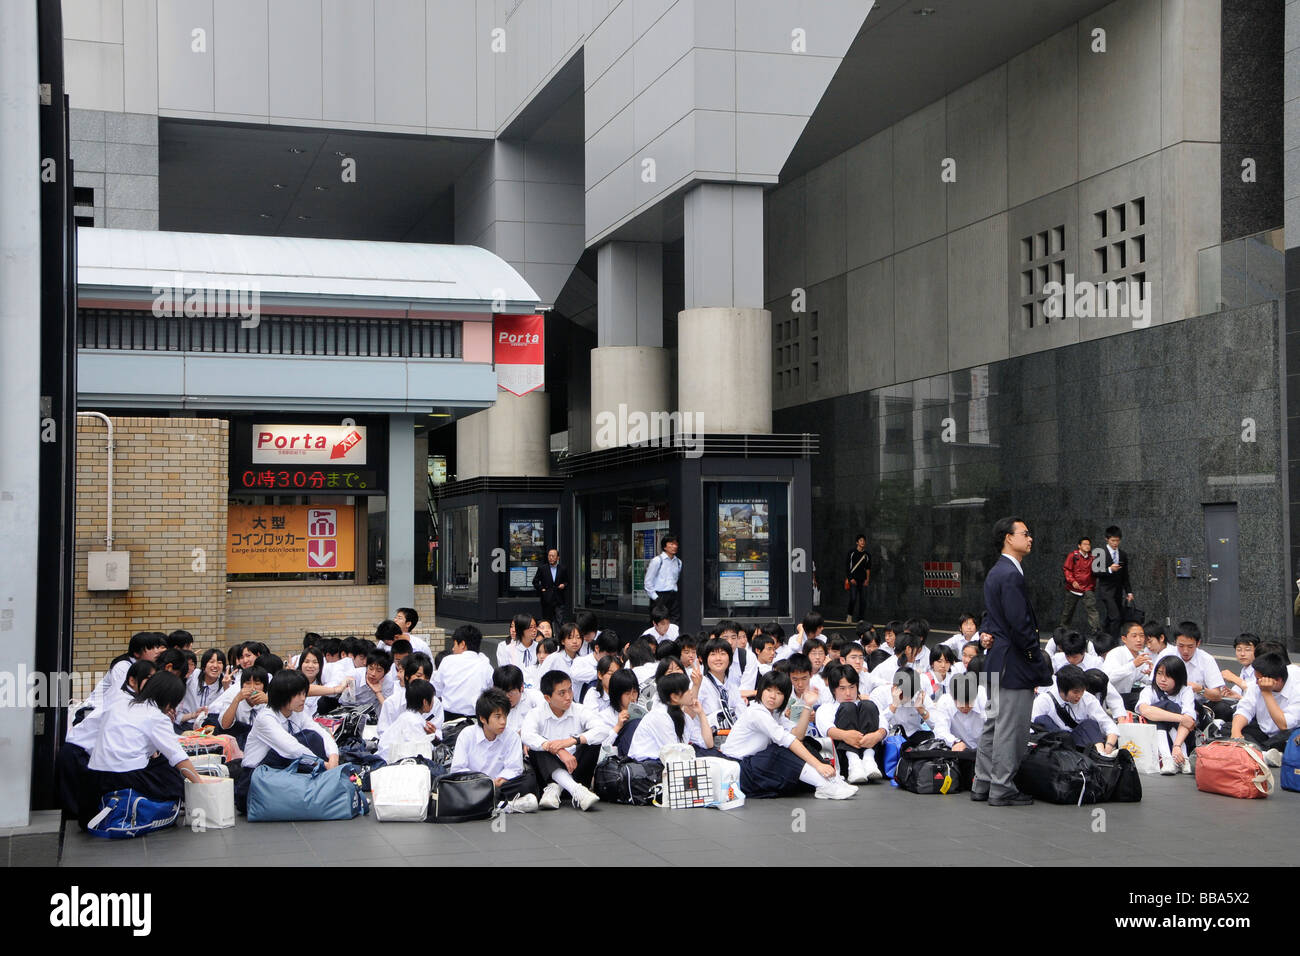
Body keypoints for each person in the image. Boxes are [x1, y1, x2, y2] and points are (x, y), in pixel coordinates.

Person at [972, 516, 1047, 807]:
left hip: (995, 661)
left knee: (993, 724)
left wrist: (985, 635)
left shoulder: (996, 572)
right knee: (1011, 728)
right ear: (1008, 537)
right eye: (1025, 534)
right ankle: (1002, 787)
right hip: (1012, 664)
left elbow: (993, 616)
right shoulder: (1011, 574)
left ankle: (983, 782)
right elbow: (1020, 624)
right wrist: (1033, 656)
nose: (1030, 539)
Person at [83, 671, 218, 830]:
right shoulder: (155, 716)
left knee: (159, 762)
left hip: (94, 775)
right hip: (124, 775)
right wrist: (202, 787)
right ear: (169, 700)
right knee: (171, 773)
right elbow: (177, 756)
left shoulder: (120, 702)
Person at [720, 670, 855, 800]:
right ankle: (824, 784)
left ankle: (833, 780)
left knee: (803, 743)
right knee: (777, 751)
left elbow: (798, 735)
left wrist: (807, 706)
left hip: (751, 766)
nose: (772, 696)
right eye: (768, 690)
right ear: (761, 690)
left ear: (785, 697)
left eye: (779, 692)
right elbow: (787, 740)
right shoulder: (756, 712)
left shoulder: (775, 713)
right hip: (737, 770)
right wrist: (818, 765)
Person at [237, 669, 339, 811]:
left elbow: (322, 733)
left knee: (313, 737)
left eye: (304, 693)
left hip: (282, 771)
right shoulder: (266, 718)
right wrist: (323, 764)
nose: (303, 698)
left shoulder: (297, 713)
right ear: (282, 696)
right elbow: (291, 748)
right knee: (306, 740)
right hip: (256, 780)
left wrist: (333, 756)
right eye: (298, 694)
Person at [521, 671, 606, 811]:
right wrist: (558, 749)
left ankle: (558, 787)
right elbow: (526, 735)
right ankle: (576, 791)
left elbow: (602, 729)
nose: (568, 697)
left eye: (570, 690)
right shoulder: (536, 713)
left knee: (591, 740)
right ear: (547, 698)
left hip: (577, 769)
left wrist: (572, 741)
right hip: (548, 775)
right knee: (537, 746)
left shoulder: (579, 709)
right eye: (562, 693)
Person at [451, 689, 538, 813]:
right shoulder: (467, 735)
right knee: (456, 788)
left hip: (501, 785)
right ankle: (505, 806)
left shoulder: (511, 736)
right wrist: (483, 781)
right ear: (482, 718)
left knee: (528, 781)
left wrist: (500, 780)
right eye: (497, 717)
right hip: (473, 785)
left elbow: (514, 768)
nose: (503, 722)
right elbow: (457, 769)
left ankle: (491, 804)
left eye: (505, 716)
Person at [815, 663, 885, 783]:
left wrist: (876, 735)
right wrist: (845, 735)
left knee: (868, 705)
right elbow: (826, 729)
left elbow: (883, 724)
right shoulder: (826, 708)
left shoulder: (868, 703)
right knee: (847, 707)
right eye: (842, 688)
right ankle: (854, 762)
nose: (848, 693)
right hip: (843, 758)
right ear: (833, 689)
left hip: (871, 755)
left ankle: (868, 759)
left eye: (852, 687)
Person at [1030, 665, 1119, 754]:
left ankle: (1101, 756)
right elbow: (1030, 726)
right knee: (1041, 720)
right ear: (1062, 689)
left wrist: (1109, 746)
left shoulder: (1088, 699)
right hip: (1055, 744)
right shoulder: (1044, 700)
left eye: (1082, 691)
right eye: (1075, 692)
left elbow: (1108, 724)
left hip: (1078, 743)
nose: (1079, 696)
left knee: (1089, 724)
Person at [628, 671, 716, 761]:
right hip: (645, 766)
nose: (691, 692)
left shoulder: (684, 717)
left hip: (664, 765)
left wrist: (701, 713)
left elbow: (708, 744)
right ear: (674, 697)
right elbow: (674, 754)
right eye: (687, 690)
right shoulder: (660, 716)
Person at [1136, 657, 1196, 775]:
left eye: (1168, 676)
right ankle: (1168, 758)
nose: (1162, 679)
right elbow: (1145, 710)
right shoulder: (1150, 690)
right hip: (1157, 739)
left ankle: (1182, 757)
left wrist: (1177, 746)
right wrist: (1181, 718)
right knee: (1161, 710)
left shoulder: (1186, 691)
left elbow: (1189, 721)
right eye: (1159, 674)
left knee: (1169, 706)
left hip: (1182, 738)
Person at [1230, 652, 1300, 753]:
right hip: (1263, 731)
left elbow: (1284, 725)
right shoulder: (1257, 685)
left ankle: (1255, 751)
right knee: (1231, 727)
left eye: (1258, 679)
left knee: (1290, 739)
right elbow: (1244, 709)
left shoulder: (1296, 690)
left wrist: (1266, 693)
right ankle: (1262, 753)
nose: (1256, 682)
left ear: (1278, 680)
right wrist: (1235, 732)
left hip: (1287, 734)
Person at [1171, 621, 1231, 721]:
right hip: (1172, 701)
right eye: (1181, 646)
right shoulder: (1167, 654)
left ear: (1198, 643)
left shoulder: (1206, 659)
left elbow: (1217, 695)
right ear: (1175, 642)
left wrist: (1199, 689)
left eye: (1190, 646)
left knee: (1223, 709)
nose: (1185, 651)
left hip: (1199, 703)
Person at [434, 624, 495, 721]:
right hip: (476, 719)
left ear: (462, 644)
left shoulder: (447, 661)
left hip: (448, 719)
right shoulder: (486, 666)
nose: (453, 649)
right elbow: (491, 692)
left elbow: (436, 690)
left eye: (454, 644)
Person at [376, 679, 440, 764]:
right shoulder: (415, 722)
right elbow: (422, 756)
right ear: (425, 702)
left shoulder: (406, 717)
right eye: (432, 699)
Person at [1094, 525, 1134, 643]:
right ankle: (1113, 643)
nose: (1115, 543)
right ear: (1107, 539)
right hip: (1106, 591)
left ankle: (1101, 638)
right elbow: (1095, 571)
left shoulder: (1122, 554)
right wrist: (1110, 569)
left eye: (1117, 540)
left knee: (1110, 618)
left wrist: (1129, 591)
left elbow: (1125, 575)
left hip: (1118, 591)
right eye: (1113, 540)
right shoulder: (1100, 552)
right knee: (1115, 617)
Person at [1102, 621, 1152, 711]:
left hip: (1127, 695)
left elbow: (1145, 679)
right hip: (1111, 698)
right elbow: (1108, 678)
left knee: (1152, 693)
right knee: (1140, 699)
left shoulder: (1141, 655)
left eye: (1141, 636)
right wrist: (1133, 665)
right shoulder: (1115, 653)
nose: (1139, 640)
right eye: (1134, 636)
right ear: (1124, 639)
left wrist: (1151, 674)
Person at [1060, 535, 1101, 631]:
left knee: (1092, 610)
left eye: (1089, 544)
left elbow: (1096, 572)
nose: (1087, 546)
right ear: (1079, 546)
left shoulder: (1092, 558)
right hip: (1074, 588)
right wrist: (1072, 580)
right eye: (1085, 544)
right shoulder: (1073, 556)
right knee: (1068, 611)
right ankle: (1063, 629)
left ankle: (1096, 630)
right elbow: (1067, 569)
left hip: (1087, 587)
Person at [642, 535, 682, 625]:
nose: (674, 546)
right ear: (664, 546)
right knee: (658, 623)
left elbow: (676, 579)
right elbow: (648, 582)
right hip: (659, 596)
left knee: (674, 622)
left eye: (676, 544)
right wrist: (656, 598)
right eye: (671, 544)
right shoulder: (657, 561)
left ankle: (672, 639)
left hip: (673, 596)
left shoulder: (679, 562)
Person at [532, 548, 569, 631]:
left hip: (559, 599)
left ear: (558, 558)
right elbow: (535, 582)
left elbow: (567, 582)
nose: (551, 558)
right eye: (549, 556)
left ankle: (559, 640)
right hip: (547, 599)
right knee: (547, 622)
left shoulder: (562, 569)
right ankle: (549, 640)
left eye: (553, 556)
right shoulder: (542, 568)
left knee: (560, 621)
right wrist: (542, 589)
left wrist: (564, 585)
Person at [1222, 633, 1259, 701]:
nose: (1242, 654)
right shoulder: (1245, 669)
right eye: (1239, 650)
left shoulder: (1260, 669)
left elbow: (1257, 693)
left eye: (1247, 650)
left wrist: (1233, 678)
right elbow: (1238, 691)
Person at [845, 533, 871, 624]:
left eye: (864, 541)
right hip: (853, 580)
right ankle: (849, 615)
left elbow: (868, 568)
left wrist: (867, 579)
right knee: (853, 598)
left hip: (863, 580)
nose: (862, 542)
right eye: (860, 540)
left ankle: (860, 619)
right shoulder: (852, 553)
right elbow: (847, 566)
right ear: (857, 542)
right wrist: (850, 578)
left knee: (863, 600)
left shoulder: (867, 554)